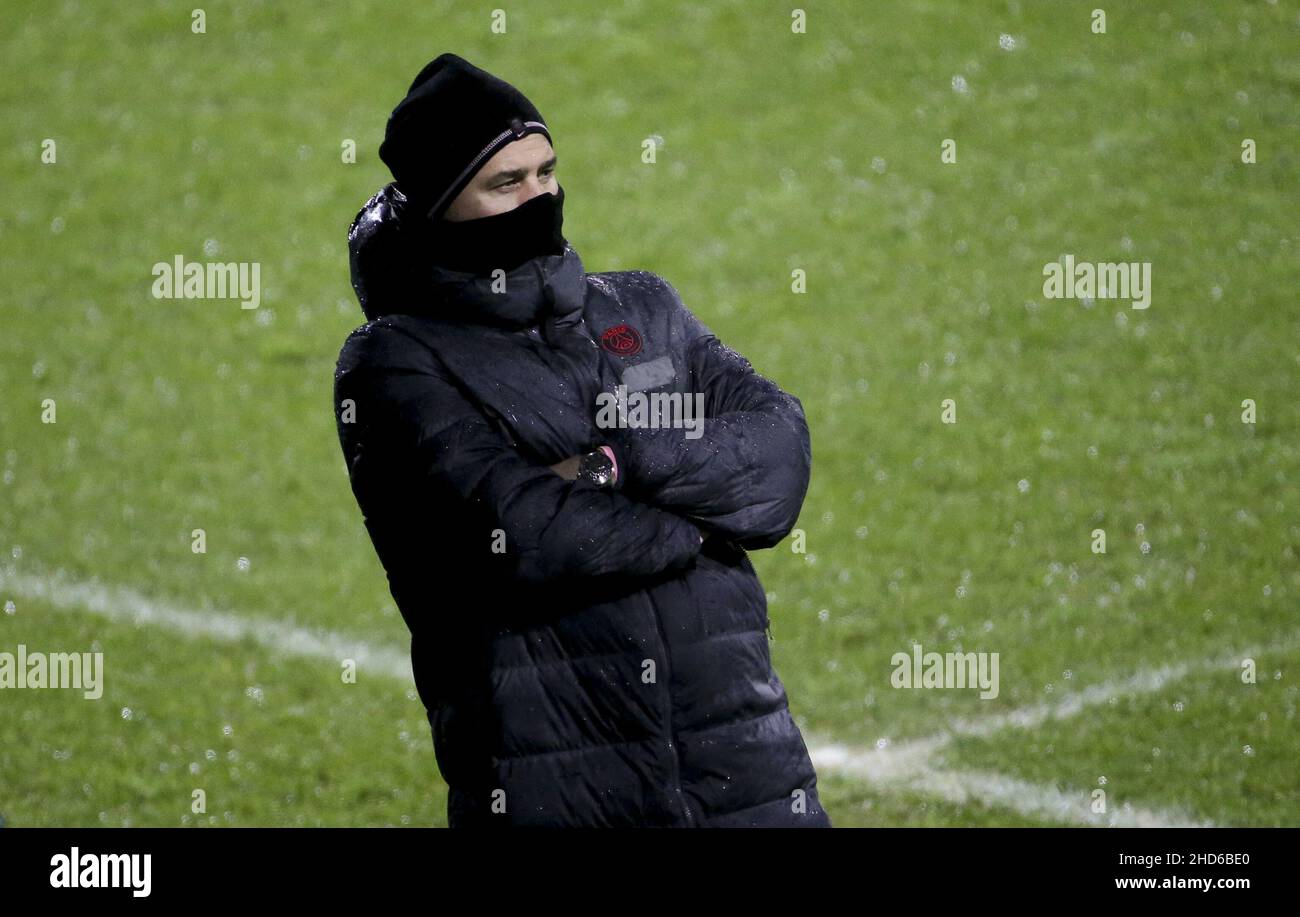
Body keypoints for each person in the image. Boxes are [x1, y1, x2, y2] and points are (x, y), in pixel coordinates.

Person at [334, 52, 830, 827]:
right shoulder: (397, 361)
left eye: (546, 172)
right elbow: (523, 533)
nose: (539, 197)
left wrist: (615, 461)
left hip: (751, 773)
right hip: (561, 791)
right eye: (506, 183)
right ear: (438, 206)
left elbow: (776, 457)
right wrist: (700, 520)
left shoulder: (642, 307)